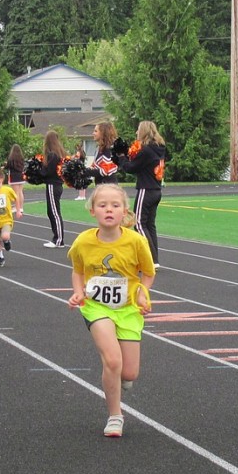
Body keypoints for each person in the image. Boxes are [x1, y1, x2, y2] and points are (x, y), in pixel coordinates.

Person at [67, 184, 156, 437]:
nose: (109, 210)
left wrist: (141, 292)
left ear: (124, 211)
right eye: (103, 205)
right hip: (96, 307)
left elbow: (148, 273)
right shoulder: (84, 241)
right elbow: (78, 270)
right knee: (113, 361)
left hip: (127, 309)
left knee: (129, 372)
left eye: (115, 205)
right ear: (92, 210)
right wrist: (78, 292)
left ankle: (117, 378)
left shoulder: (136, 241)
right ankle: (115, 415)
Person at [117, 120, 166, 269]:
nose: (136, 133)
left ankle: (149, 258)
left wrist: (121, 158)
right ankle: (155, 259)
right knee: (150, 225)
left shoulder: (146, 150)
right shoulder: (160, 148)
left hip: (146, 189)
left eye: (138, 130)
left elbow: (132, 168)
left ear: (143, 131)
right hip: (157, 189)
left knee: (139, 223)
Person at [42, 131, 67, 248]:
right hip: (55, 185)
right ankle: (56, 237)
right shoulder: (58, 153)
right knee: (51, 212)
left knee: (55, 212)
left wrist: (37, 173)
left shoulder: (53, 155)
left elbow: (48, 172)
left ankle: (59, 240)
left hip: (53, 185)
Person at [89, 122, 120, 187]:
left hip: (108, 186)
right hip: (101, 185)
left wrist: (85, 172)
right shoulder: (100, 148)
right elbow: (94, 167)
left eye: (95, 131)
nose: (93, 133)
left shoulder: (109, 149)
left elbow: (104, 171)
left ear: (103, 133)